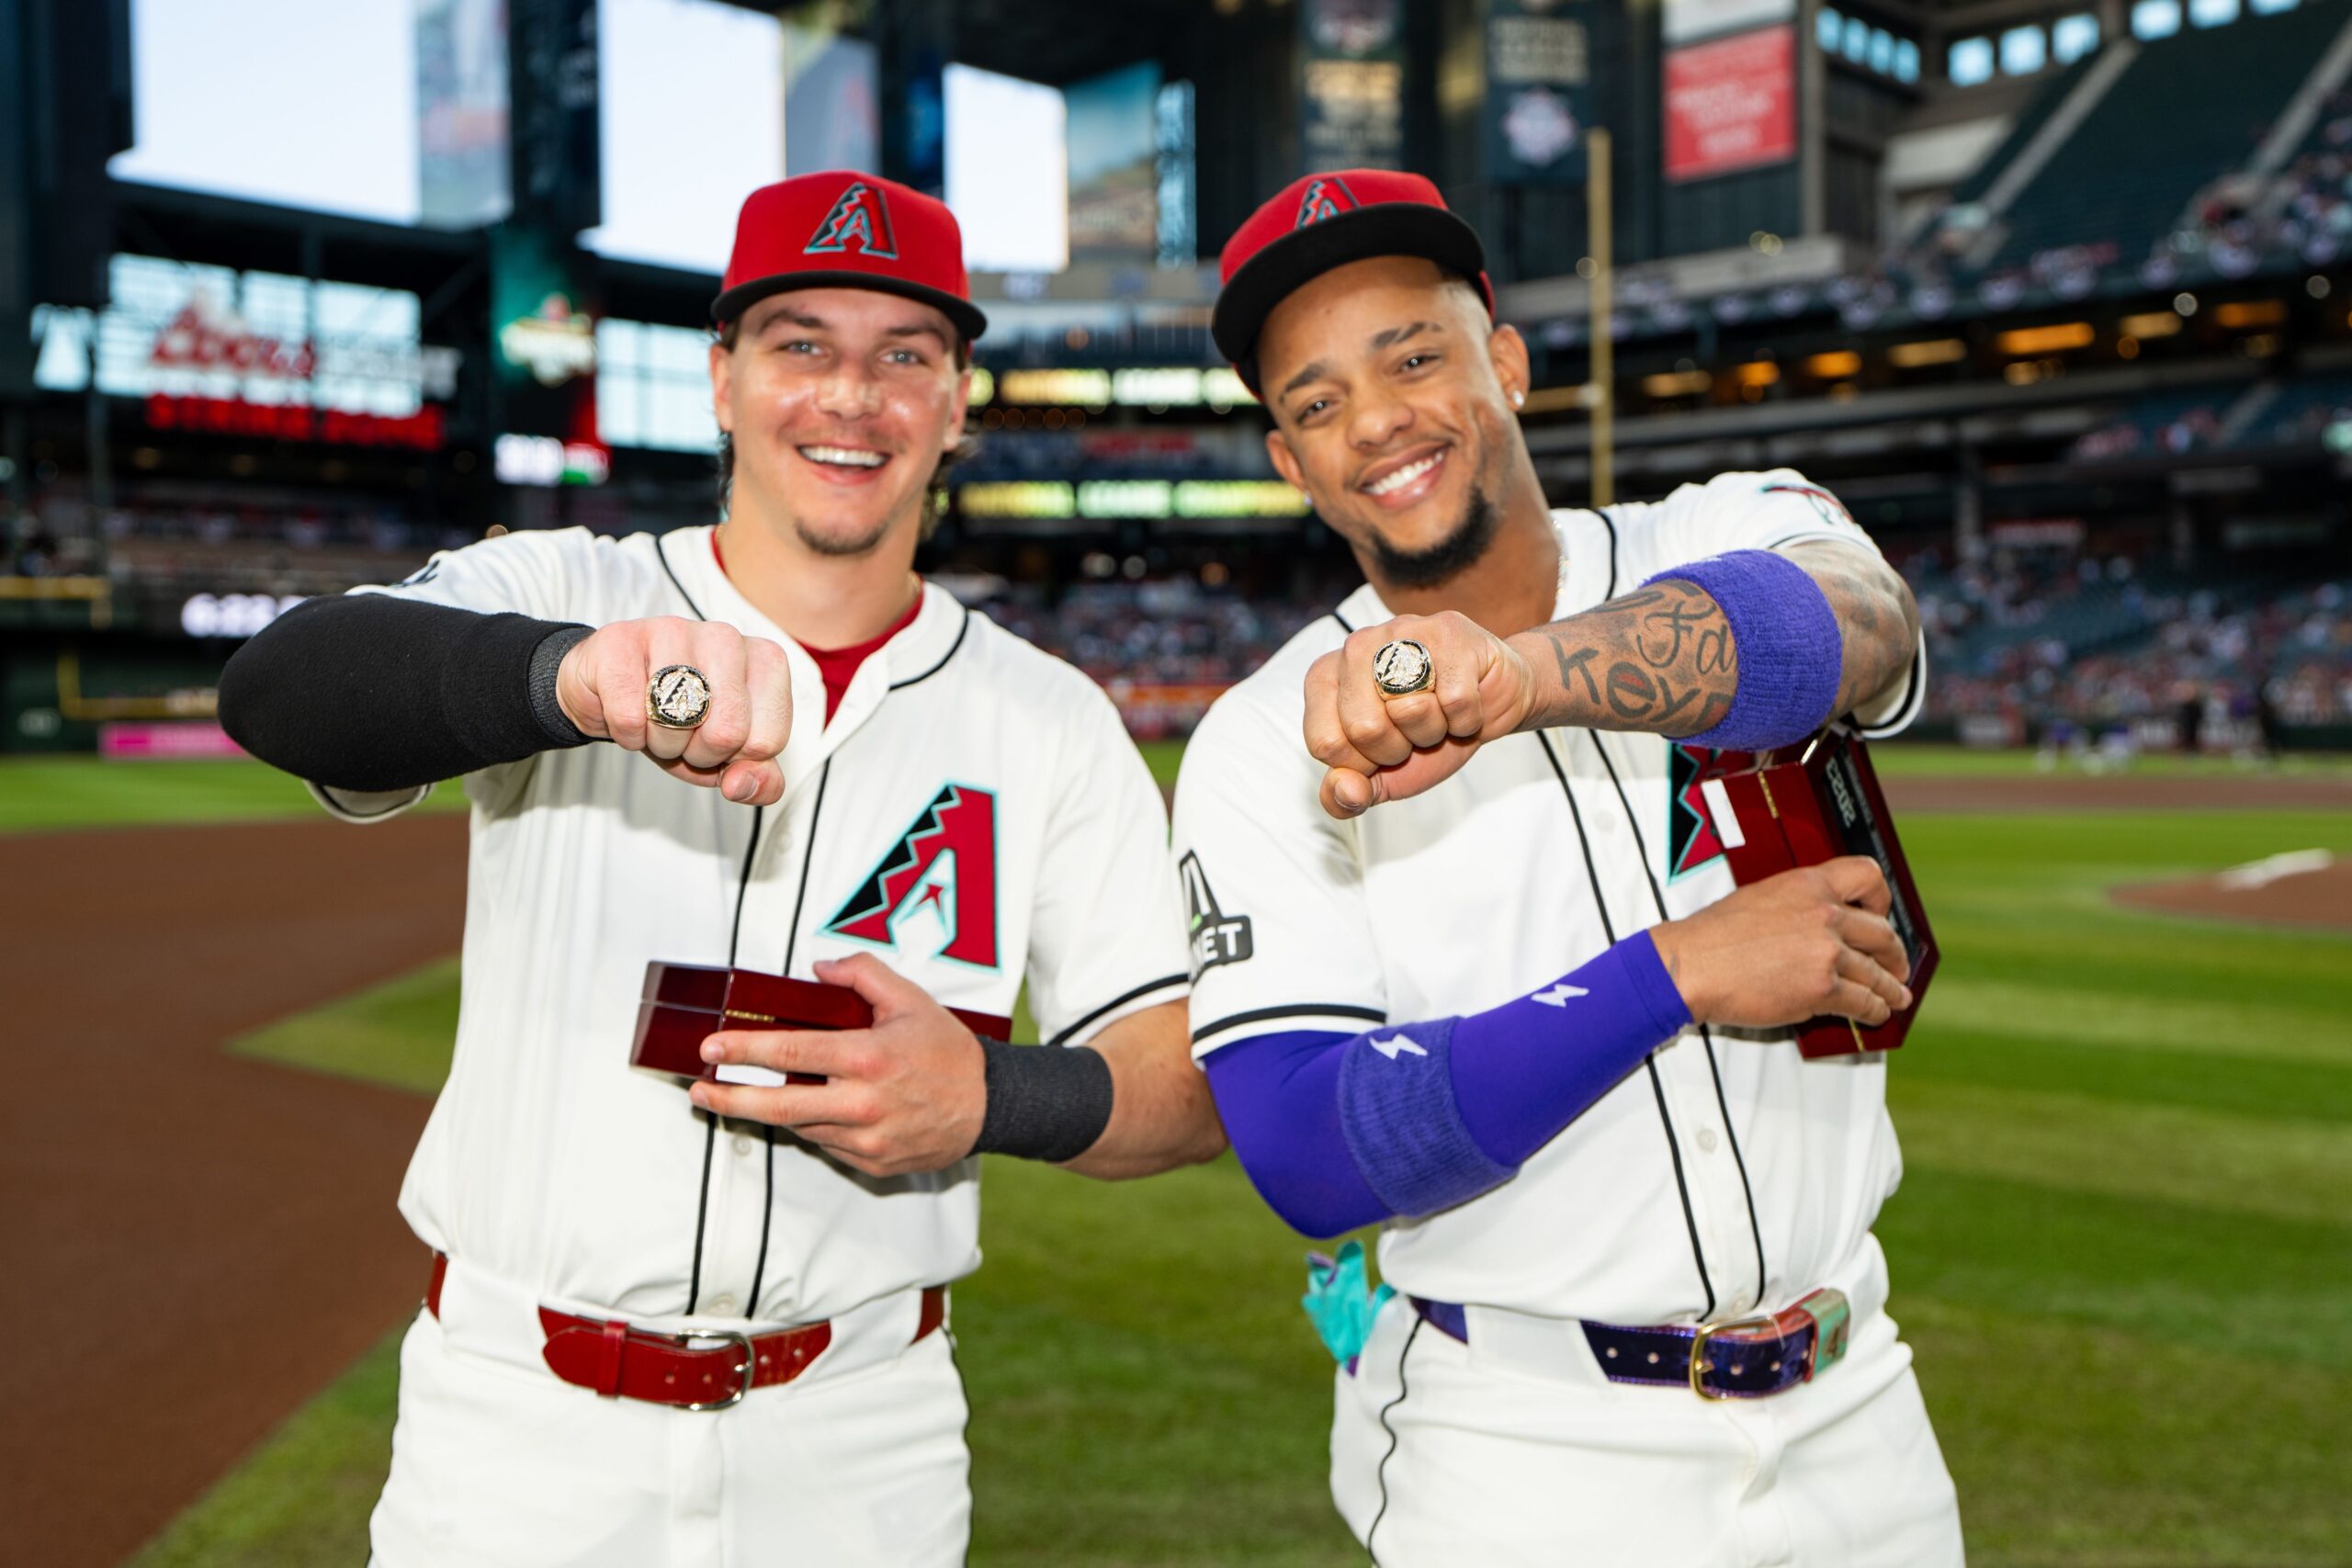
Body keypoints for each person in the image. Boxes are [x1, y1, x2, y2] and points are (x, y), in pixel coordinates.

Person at [219, 170, 1220, 1568]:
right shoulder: (569, 594)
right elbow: (286, 687)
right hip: (517, 1434)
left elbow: (1186, 1082)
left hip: (861, 1440)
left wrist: (994, 1093)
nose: (849, 396)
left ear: (956, 401)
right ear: (722, 379)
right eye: (800, 343)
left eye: (904, 356)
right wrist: (571, 679)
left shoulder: (1043, 717)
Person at [1172, 170, 1962, 1566]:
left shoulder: (1726, 526)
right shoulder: (1261, 736)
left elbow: (1853, 627)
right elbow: (1308, 1148)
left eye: (1413, 356)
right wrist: (1674, 976)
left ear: (1508, 362)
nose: (1376, 422)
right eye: (1315, 402)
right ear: (1289, 463)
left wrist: (1513, 681)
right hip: (1524, 1456)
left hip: (1861, 1427)